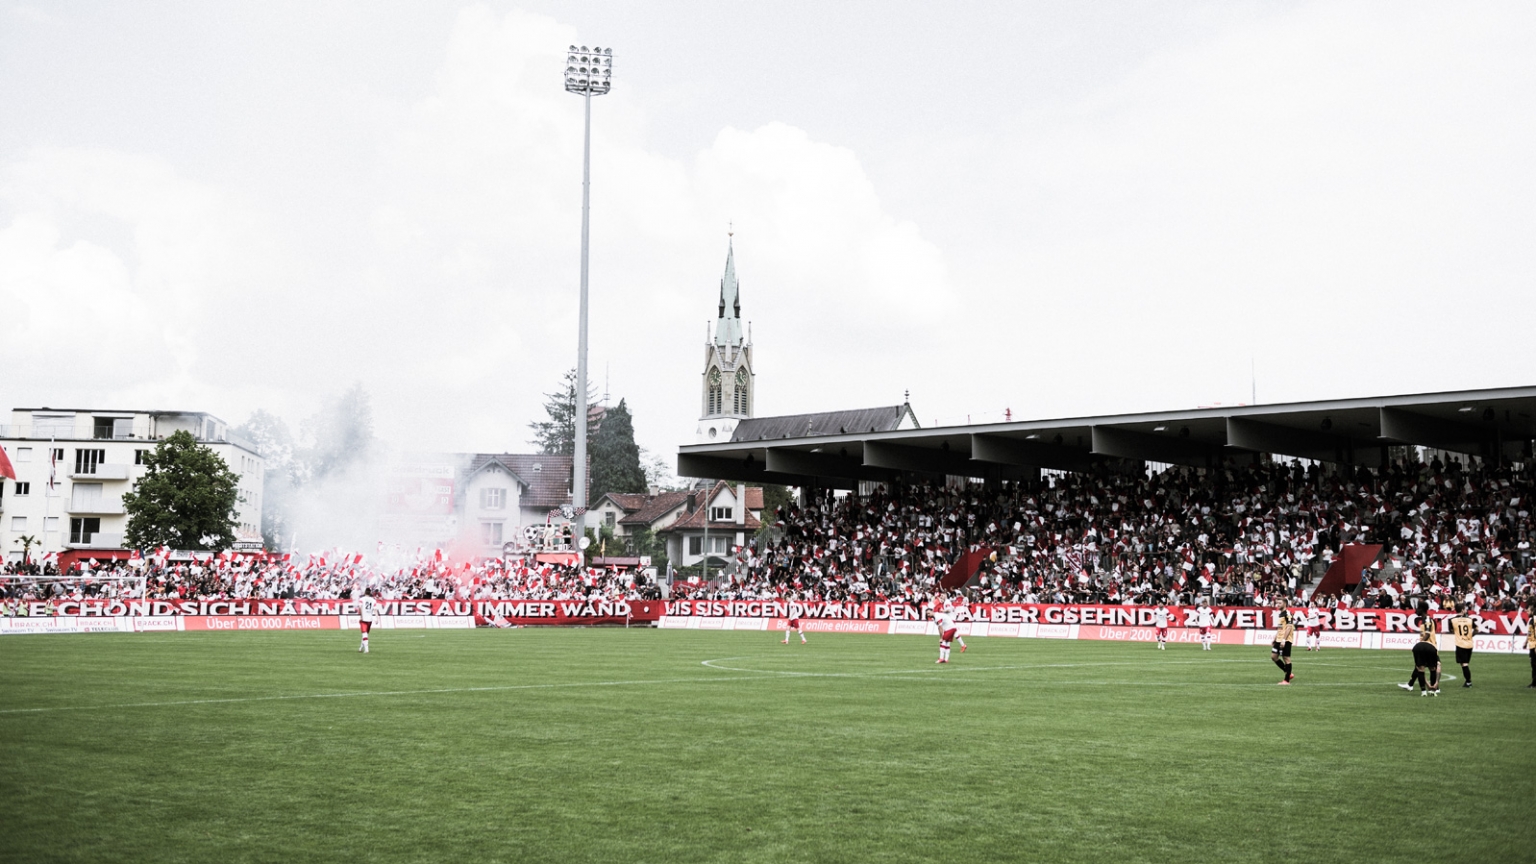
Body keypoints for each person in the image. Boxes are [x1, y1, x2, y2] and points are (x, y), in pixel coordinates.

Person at [1399, 607, 1441, 696]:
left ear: (1422, 610)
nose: (1415, 611)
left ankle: (1435, 688)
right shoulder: (1424, 620)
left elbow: (1428, 633)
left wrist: (1421, 644)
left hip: (1429, 647)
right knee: (1419, 666)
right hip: (1428, 647)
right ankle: (1410, 684)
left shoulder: (1427, 619)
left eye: (1417, 609)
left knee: (1433, 666)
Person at [1448, 603, 1477, 688]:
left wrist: (1457, 633)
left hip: (1460, 644)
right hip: (1469, 644)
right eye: (1464, 609)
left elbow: (1451, 630)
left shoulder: (1452, 620)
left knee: (1464, 664)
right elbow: (1477, 629)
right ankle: (1468, 682)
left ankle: (1468, 682)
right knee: (1465, 663)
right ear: (1462, 610)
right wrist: (1470, 636)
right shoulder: (1470, 620)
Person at [1270, 608, 1296, 685]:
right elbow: (1280, 628)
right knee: (1274, 656)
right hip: (1278, 639)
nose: (1277, 605)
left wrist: (1284, 639)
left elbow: (1289, 627)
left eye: (1279, 603)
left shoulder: (1288, 613)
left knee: (1286, 658)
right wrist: (1275, 637)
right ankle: (1288, 672)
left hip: (1286, 639)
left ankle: (1286, 680)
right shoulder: (1280, 614)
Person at [934, 596, 959, 664]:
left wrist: (942, 611)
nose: (941, 599)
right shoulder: (944, 603)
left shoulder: (946, 603)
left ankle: (941, 658)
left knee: (943, 641)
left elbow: (948, 610)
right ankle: (946, 659)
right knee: (947, 642)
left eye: (942, 597)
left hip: (950, 625)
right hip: (950, 625)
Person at [357, 588, 379, 654]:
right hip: (370, 619)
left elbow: (360, 607)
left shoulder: (361, 599)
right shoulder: (373, 600)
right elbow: (375, 610)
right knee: (365, 634)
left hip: (364, 619)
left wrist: (361, 616)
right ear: (370, 593)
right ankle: (361, 648)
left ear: (365, 592)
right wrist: (377, 618)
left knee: (364, 634)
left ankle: (366, 650)